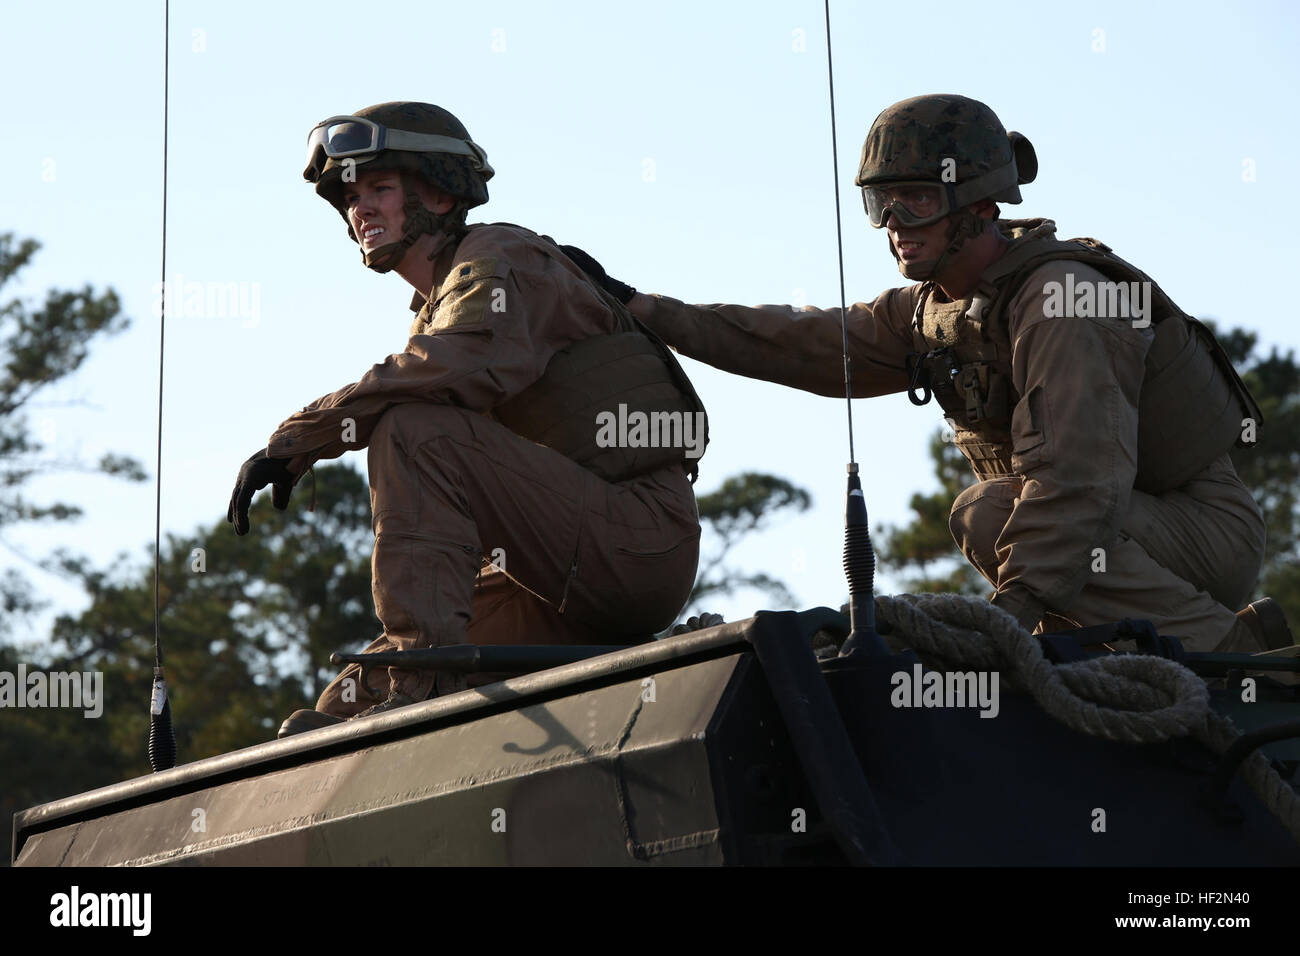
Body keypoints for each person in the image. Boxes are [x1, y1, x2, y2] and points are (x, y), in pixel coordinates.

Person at [580, 93, 1292, 655]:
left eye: (915, 198)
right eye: (878, 202)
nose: (894, 222)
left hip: (1199, 530)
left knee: (987, 510)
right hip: (1114, 529)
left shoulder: (1062, 299)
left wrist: (1006, 621)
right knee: (995, 510)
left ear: (980, 204)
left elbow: (1079, 483)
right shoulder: (936, 308)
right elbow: (805, 344)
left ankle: (1231, 653)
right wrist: (644, 308)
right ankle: (1112, 647)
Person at [227, 102, 707, 738]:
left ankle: (426, 684)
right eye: (349, 197)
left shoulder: (501, 257)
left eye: (379, 189)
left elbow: (459, 362)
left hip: (634, 544)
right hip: (548, 576)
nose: (358, 210)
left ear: (440, 195)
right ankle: (417, 682)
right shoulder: (437, 301)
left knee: (413, 431)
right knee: (342, 709)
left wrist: (302, 436)